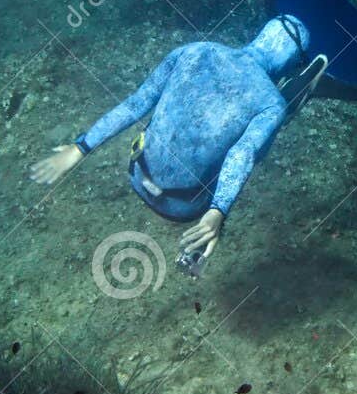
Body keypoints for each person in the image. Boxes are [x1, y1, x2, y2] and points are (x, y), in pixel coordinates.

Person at [29, 15, 319, 268]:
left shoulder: (194, 51)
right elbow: (241, 154)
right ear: (291, 62)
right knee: (260, 140)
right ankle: (295, 97)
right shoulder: (270, 104)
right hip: (183, 208)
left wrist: (80, 148)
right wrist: (217, 212)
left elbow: (137, 103)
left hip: (137, 173)